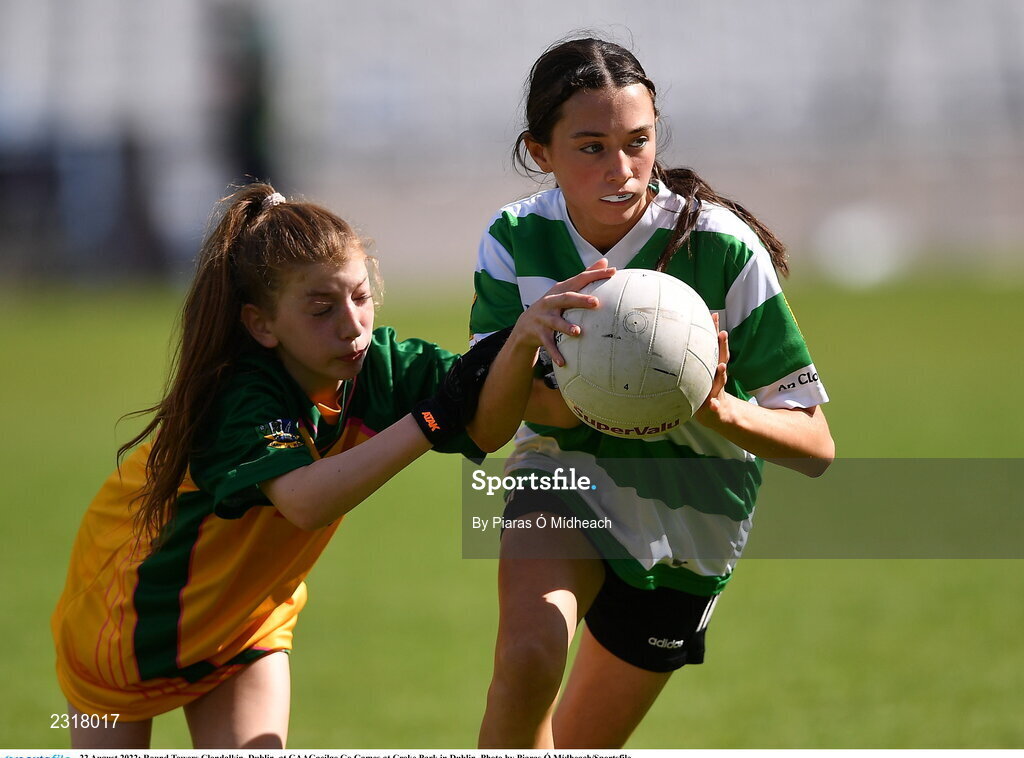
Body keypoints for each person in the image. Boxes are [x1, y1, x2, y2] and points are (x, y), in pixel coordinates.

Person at [51, 182, 546, 748]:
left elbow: (488, 425)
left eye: (360, 297)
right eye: (321, 309)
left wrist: (523, 347)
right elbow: (305, 502)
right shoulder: (238, 395)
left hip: (247, 621)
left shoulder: (375, 364)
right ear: (262, 324)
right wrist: (430, 421)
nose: (351, 324)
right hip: (135, 622)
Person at [469, 37, 836, 748]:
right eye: (591, 146)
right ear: (540, 151)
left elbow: (815, 444)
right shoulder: (514, 240)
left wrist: (713, 407)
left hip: (690, 519)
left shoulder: (719, 247)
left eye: (638, 142)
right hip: (561, 477)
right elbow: (490, 422)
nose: (622, 169)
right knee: (527, 657)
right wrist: (523, 348)